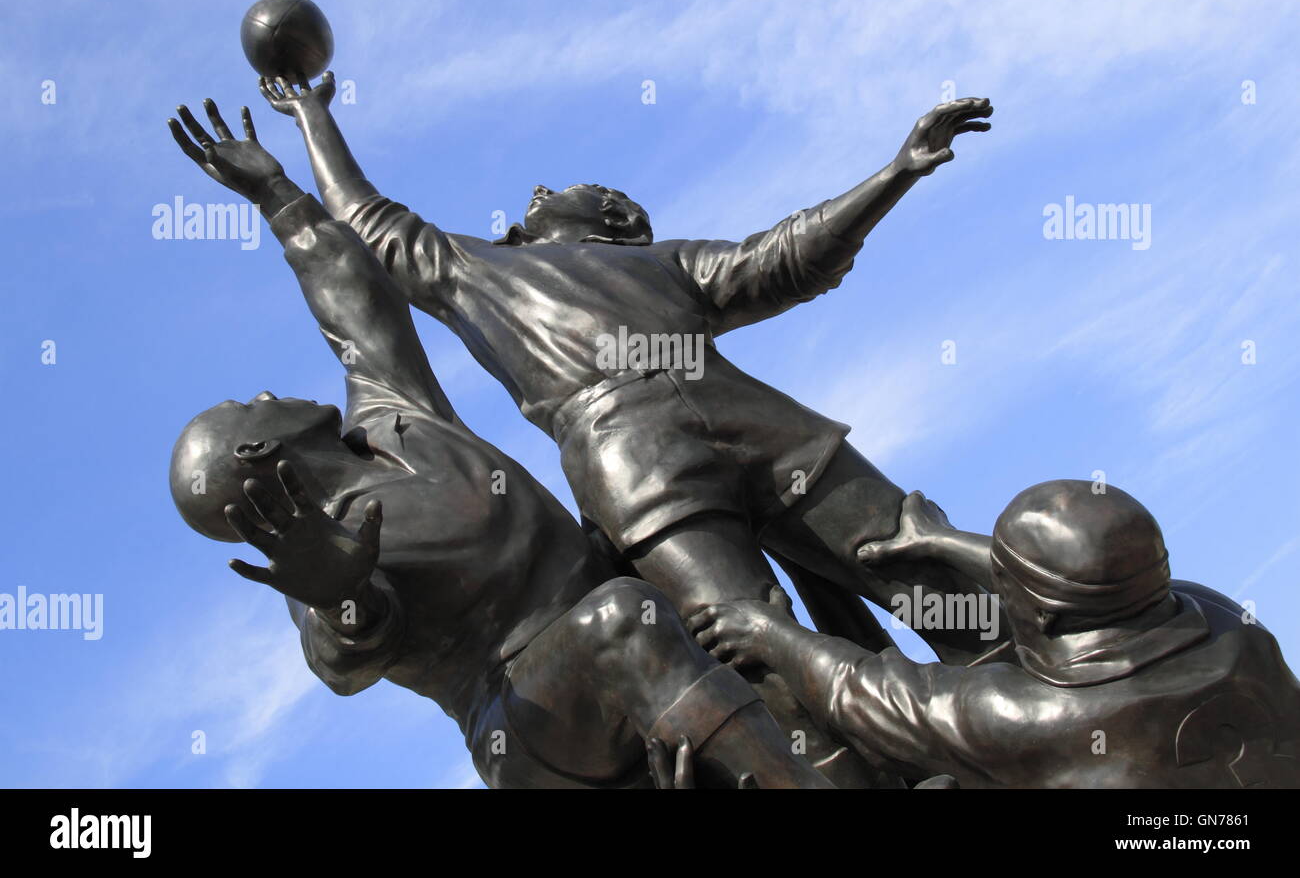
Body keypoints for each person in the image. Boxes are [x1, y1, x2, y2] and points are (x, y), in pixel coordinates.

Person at [260, 73, 1006, 782]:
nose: (538, 191)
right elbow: (367, 221)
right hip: (632, 467)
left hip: (763, 429)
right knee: (750, 640)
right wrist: (314, 116)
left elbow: (783, 257)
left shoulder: (667, 263)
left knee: (911, 556)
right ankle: (849, 782)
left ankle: (1030, 721)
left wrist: (897, 171)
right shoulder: (473, 270)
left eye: (564, 188)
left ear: (614, 218)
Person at [166, 99, 833, 789]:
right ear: (255, 456)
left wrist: (276, 197)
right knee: (622, 621)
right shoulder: (309, 550)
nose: (267, 395)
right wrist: (343, 602)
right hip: (525, 719)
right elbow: (343, 661)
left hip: (633, 628)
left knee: (720, 605)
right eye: (249, 408)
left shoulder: (392, 414)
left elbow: (351, 294)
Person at [689, 481, 1300, 787]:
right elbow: (1089, 587)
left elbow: (871, 690)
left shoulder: (1037, 714)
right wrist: (943, 541)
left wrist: (769, 634)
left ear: (1045, 617)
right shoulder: (1229, 627)